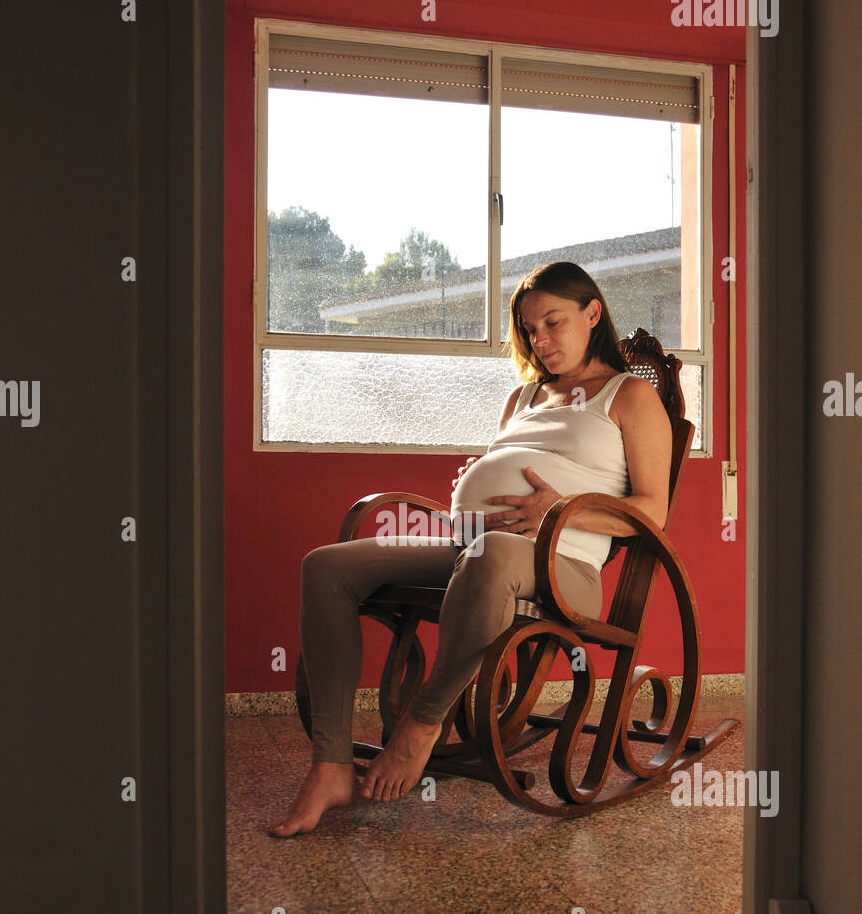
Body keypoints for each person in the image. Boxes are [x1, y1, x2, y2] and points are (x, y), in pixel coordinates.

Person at [268, 260, 672, 838]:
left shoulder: (628, 395)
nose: (541, 340)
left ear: (593, 313)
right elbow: (509, 474)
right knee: (327, 566)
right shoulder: (523, 397)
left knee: (491, 556)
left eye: (554, 323)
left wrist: (561, 504)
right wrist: (477, 483)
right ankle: (330, 764)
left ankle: (421, 723)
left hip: (567, 563)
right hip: (473, 544)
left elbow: (653, 510)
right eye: (530, 329)